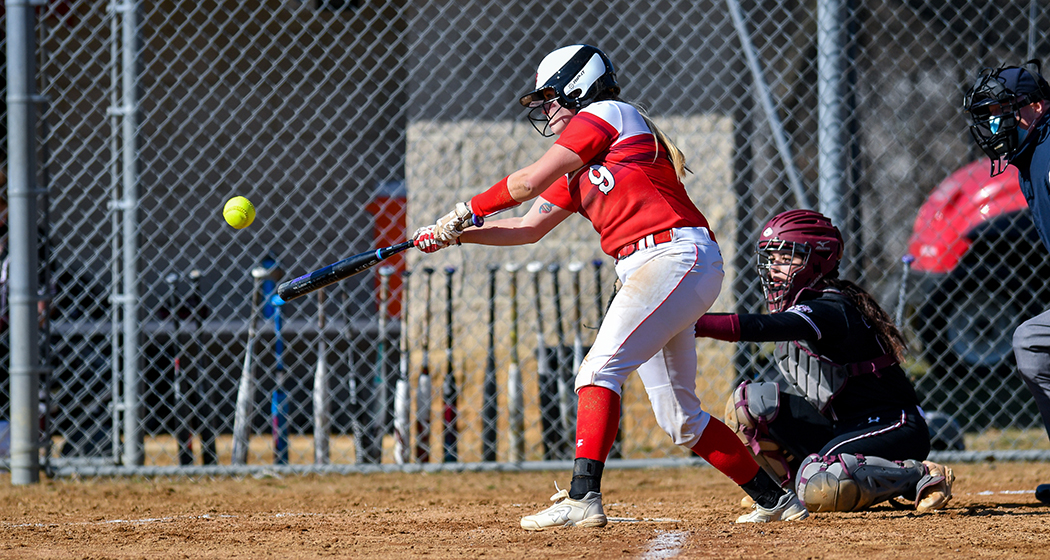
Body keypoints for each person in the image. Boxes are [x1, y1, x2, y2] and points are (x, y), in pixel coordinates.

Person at [413, 44, 808, 528]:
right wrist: (455, 237)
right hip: (658, 267)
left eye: (551, 97)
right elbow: (528, 226)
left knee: (596, 370)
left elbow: (526, 183)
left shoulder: (608, 113)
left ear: (579, 87)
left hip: (672, 256)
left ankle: (584, 498)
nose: (545, 109)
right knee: (681, 419)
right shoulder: (580, 163)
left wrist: (465, 210)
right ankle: (776, 500)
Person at [693, 209, 955, 513]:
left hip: (893, 427)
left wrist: (693, 323)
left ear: (817, 261)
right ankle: (787, 490)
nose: (773, 268)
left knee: (817, 480)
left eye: (786, 258)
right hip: (842, 426)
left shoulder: (831, 307)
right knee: (748, 405)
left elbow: (766, 327)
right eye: (771, 258)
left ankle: (920, 475)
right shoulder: (807, 304)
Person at [964, 60, 1050, 505]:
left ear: (1035, 107)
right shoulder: (1032, 156)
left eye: (1000, 112)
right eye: (988, 115)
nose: (993, 125)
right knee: (1033, 341)